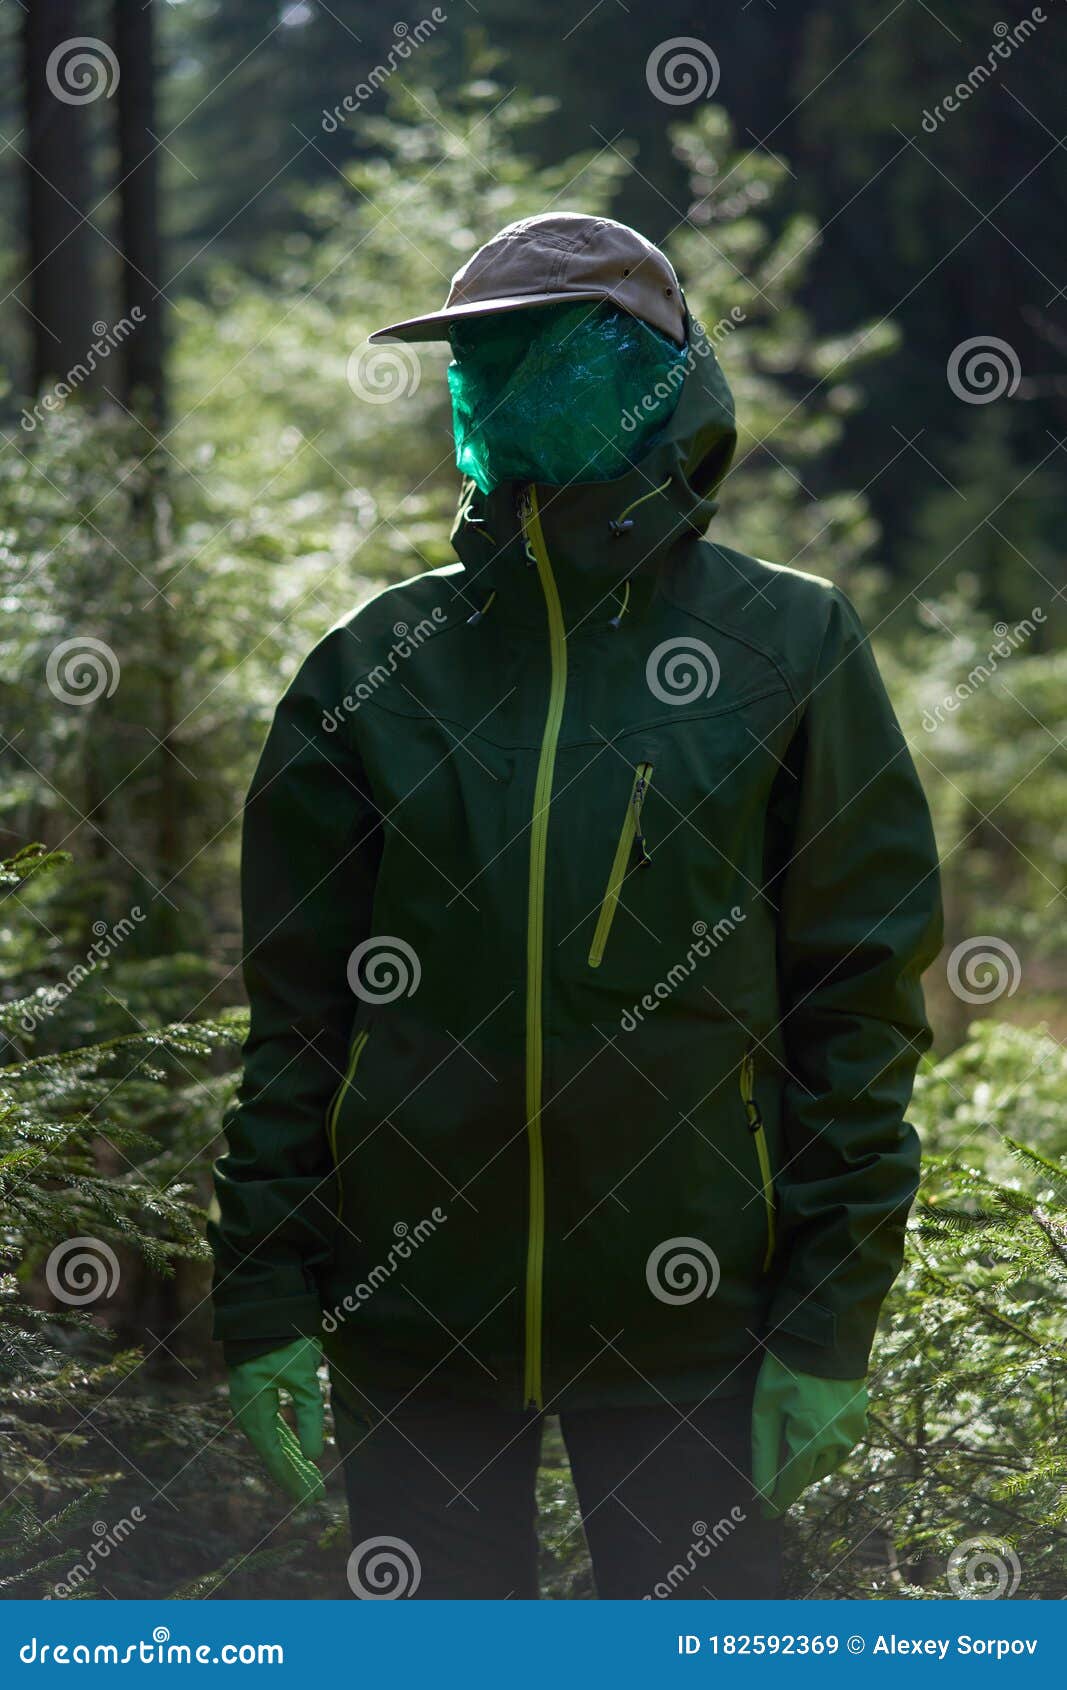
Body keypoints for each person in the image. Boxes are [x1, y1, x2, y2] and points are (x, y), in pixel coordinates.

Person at [210, 213, 943, 1600]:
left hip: (694, 1334)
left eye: (548, 352)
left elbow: (860, 1001)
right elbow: (296, 1022)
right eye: (479, 360)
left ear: (655, 376)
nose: (500, 386)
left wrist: (828, 1324)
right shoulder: (374, 667)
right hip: (413, 1328)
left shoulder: (787, 646)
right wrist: (261, 1300)